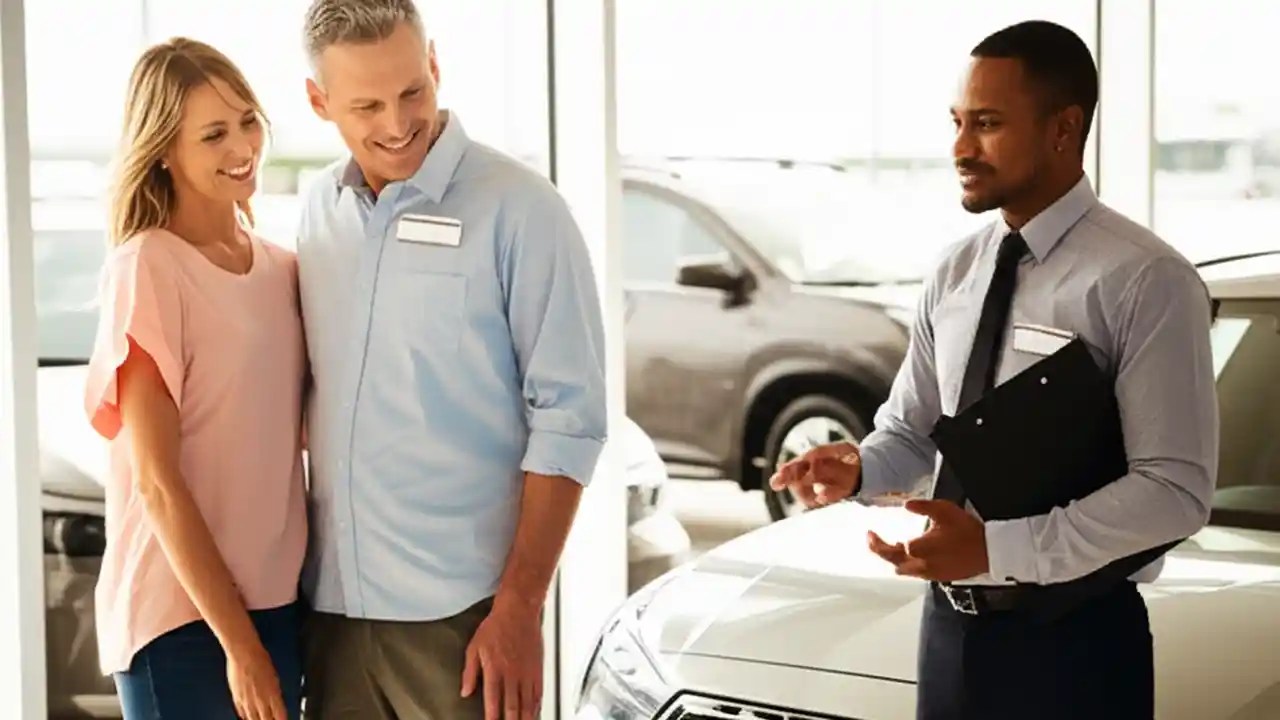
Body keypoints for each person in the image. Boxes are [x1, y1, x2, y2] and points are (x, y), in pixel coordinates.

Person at [770, 20, 1218, 720]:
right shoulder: (954, 272)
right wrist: (859, 469)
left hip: (1078, 646)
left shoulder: (1145, 280)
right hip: (948, 634)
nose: (959, 148)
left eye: (986, 123)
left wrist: (995, 548)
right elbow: (915, 436)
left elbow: (1175, 490)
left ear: (1063, 129)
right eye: (956, 122)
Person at [294, 1, 608, 719]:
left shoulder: (523, 210)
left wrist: (521, 607)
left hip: (465, 620)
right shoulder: (319, 212)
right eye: (366, 105)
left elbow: (572, 419)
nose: (398, 124)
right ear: (319, 101)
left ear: (434, 63)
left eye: (412, 91)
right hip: (333, 612)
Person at [84, 38, 308, 720]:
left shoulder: (282, 269)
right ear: (162, 151)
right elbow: (156, 482)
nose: (241, 145)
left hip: (278, 602)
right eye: (212, 133)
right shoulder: (147, 267)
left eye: (247, 120)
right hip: (181, 617)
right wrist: (239, 647)